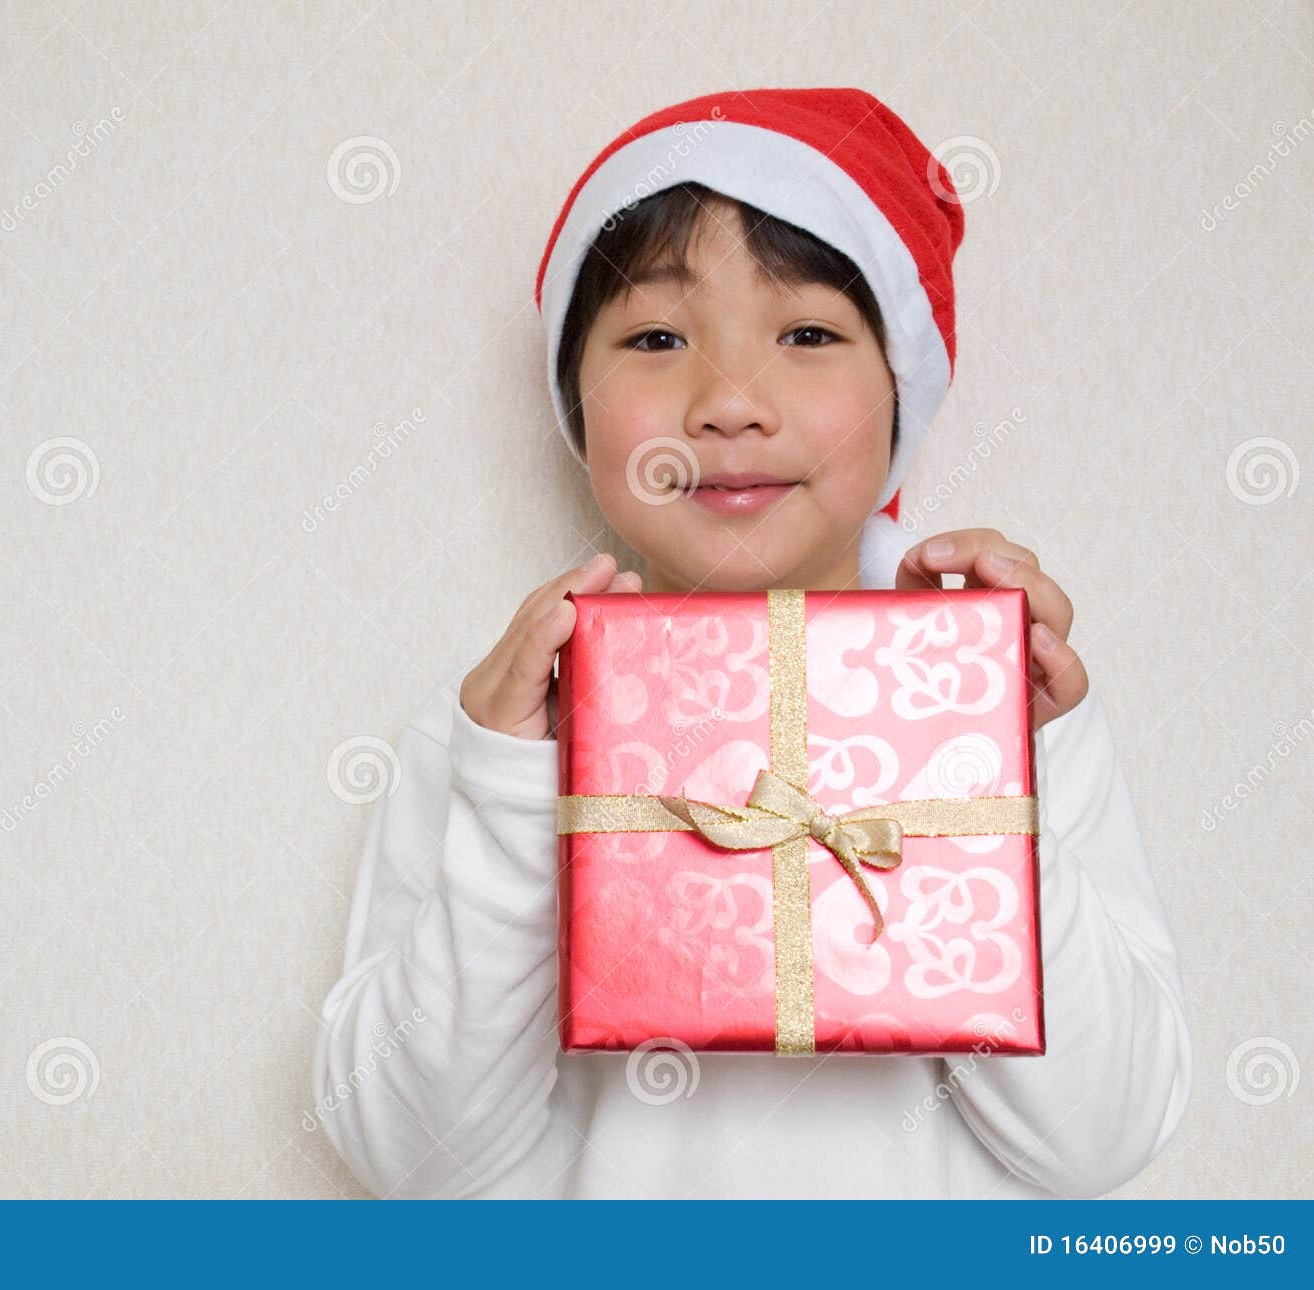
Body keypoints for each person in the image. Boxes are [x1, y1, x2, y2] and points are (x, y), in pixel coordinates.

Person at [310, 88, 1191, 1199]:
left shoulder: (1018, 701)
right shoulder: (495, 726)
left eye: (808, 333)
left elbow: (1099, 1145)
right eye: (656, 336)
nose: (728, 402)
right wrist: (509, 787)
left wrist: (983, 748)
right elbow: (411, 1162)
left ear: (899, 390)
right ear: (574, 408)